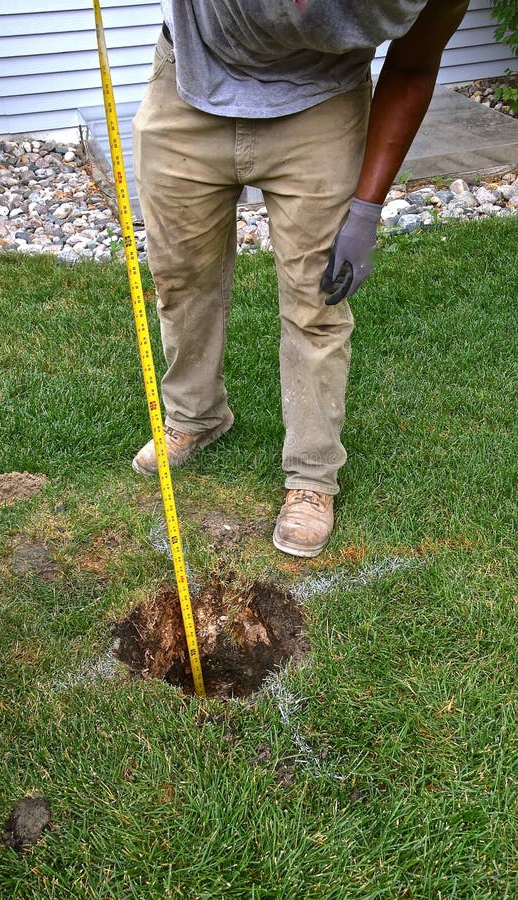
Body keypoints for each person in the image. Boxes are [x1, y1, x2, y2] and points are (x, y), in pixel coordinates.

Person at [131, 0, 468, 558]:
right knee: (180, 275)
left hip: (322, 105)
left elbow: (412, 68)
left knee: (318, 303)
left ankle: (312, 477)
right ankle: (196, 414)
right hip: (190, 83)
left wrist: (367, 209)